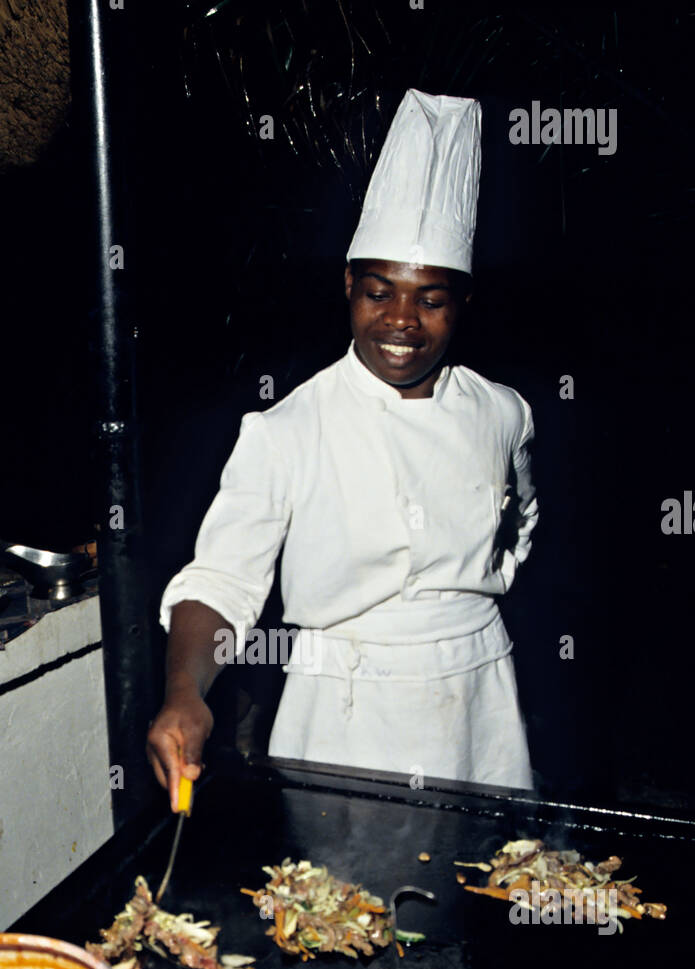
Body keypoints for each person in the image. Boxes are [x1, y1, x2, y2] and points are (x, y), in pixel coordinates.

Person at [147, 90, 538, 810]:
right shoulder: (288, 428)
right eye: (377, 292)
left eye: (431, 299)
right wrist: (183, 695)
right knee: (334, 915)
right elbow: (221, 580)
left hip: (480, 702)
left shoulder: (503, 413)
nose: (400, 321)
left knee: (483, 894)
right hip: (343, 710)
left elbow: (520, 525)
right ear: (347, 289)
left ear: (463, 305)